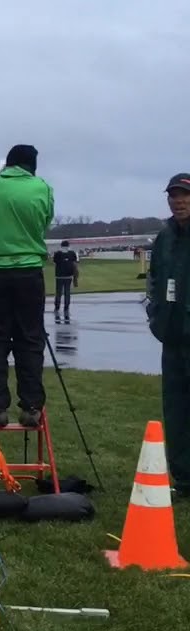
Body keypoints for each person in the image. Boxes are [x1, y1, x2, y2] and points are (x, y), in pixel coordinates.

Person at [0, 144, 54, 428]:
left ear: (8, 163)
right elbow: (45, 222)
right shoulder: (42, 187)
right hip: (30, 271)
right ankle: (31, 405)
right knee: (30, 338)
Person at [146, 172, 190, 500]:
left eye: (184, 195)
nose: (179, 201)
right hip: (173, 338)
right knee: (175, 410)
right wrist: (156, 317)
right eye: (173, 196)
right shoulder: (165, 238)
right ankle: (184, 479)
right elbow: (154, 280)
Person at [51, 240, 80, 321]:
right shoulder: (72, 253)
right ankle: (66, 308)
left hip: (59, 275)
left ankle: (57, 307)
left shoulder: (58, 253)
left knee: (58, 292)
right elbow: (75, 263)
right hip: (68, 275)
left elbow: (55, 262)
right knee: (67, 292)